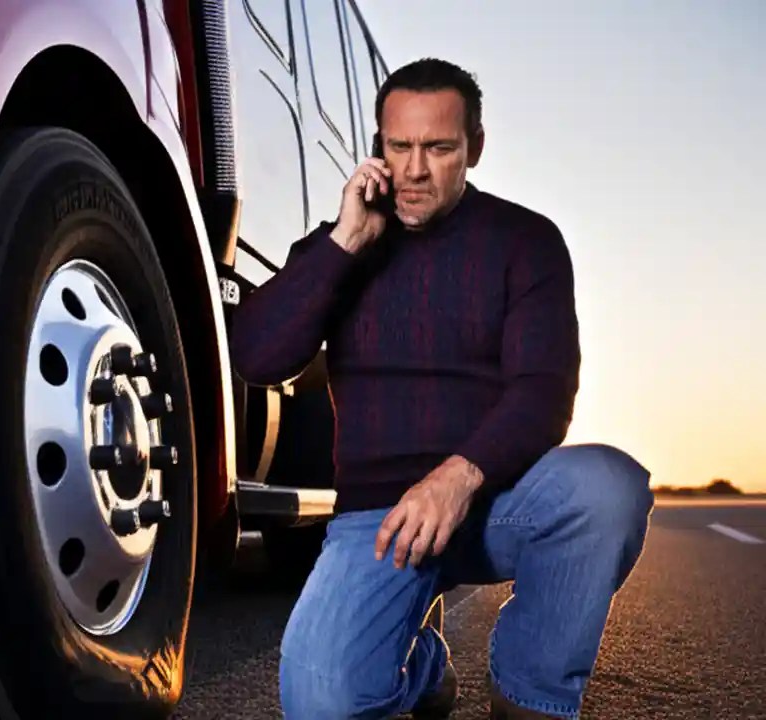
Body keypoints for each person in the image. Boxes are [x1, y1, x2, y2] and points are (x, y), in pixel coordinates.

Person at [229, 58, 654, 719]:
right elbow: (257, 356)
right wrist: (345, 244)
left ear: (474, 148)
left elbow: (544, 390)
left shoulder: (527, 240)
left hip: (495, 498)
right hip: (379, 517)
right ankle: (423, 668)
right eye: (399, 147)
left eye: (439, 148)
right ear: (378, 147)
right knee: (323, 704)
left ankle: (528, 695)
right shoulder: (340, 243)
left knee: (606, 487)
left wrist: (457, 478)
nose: (416, 169)